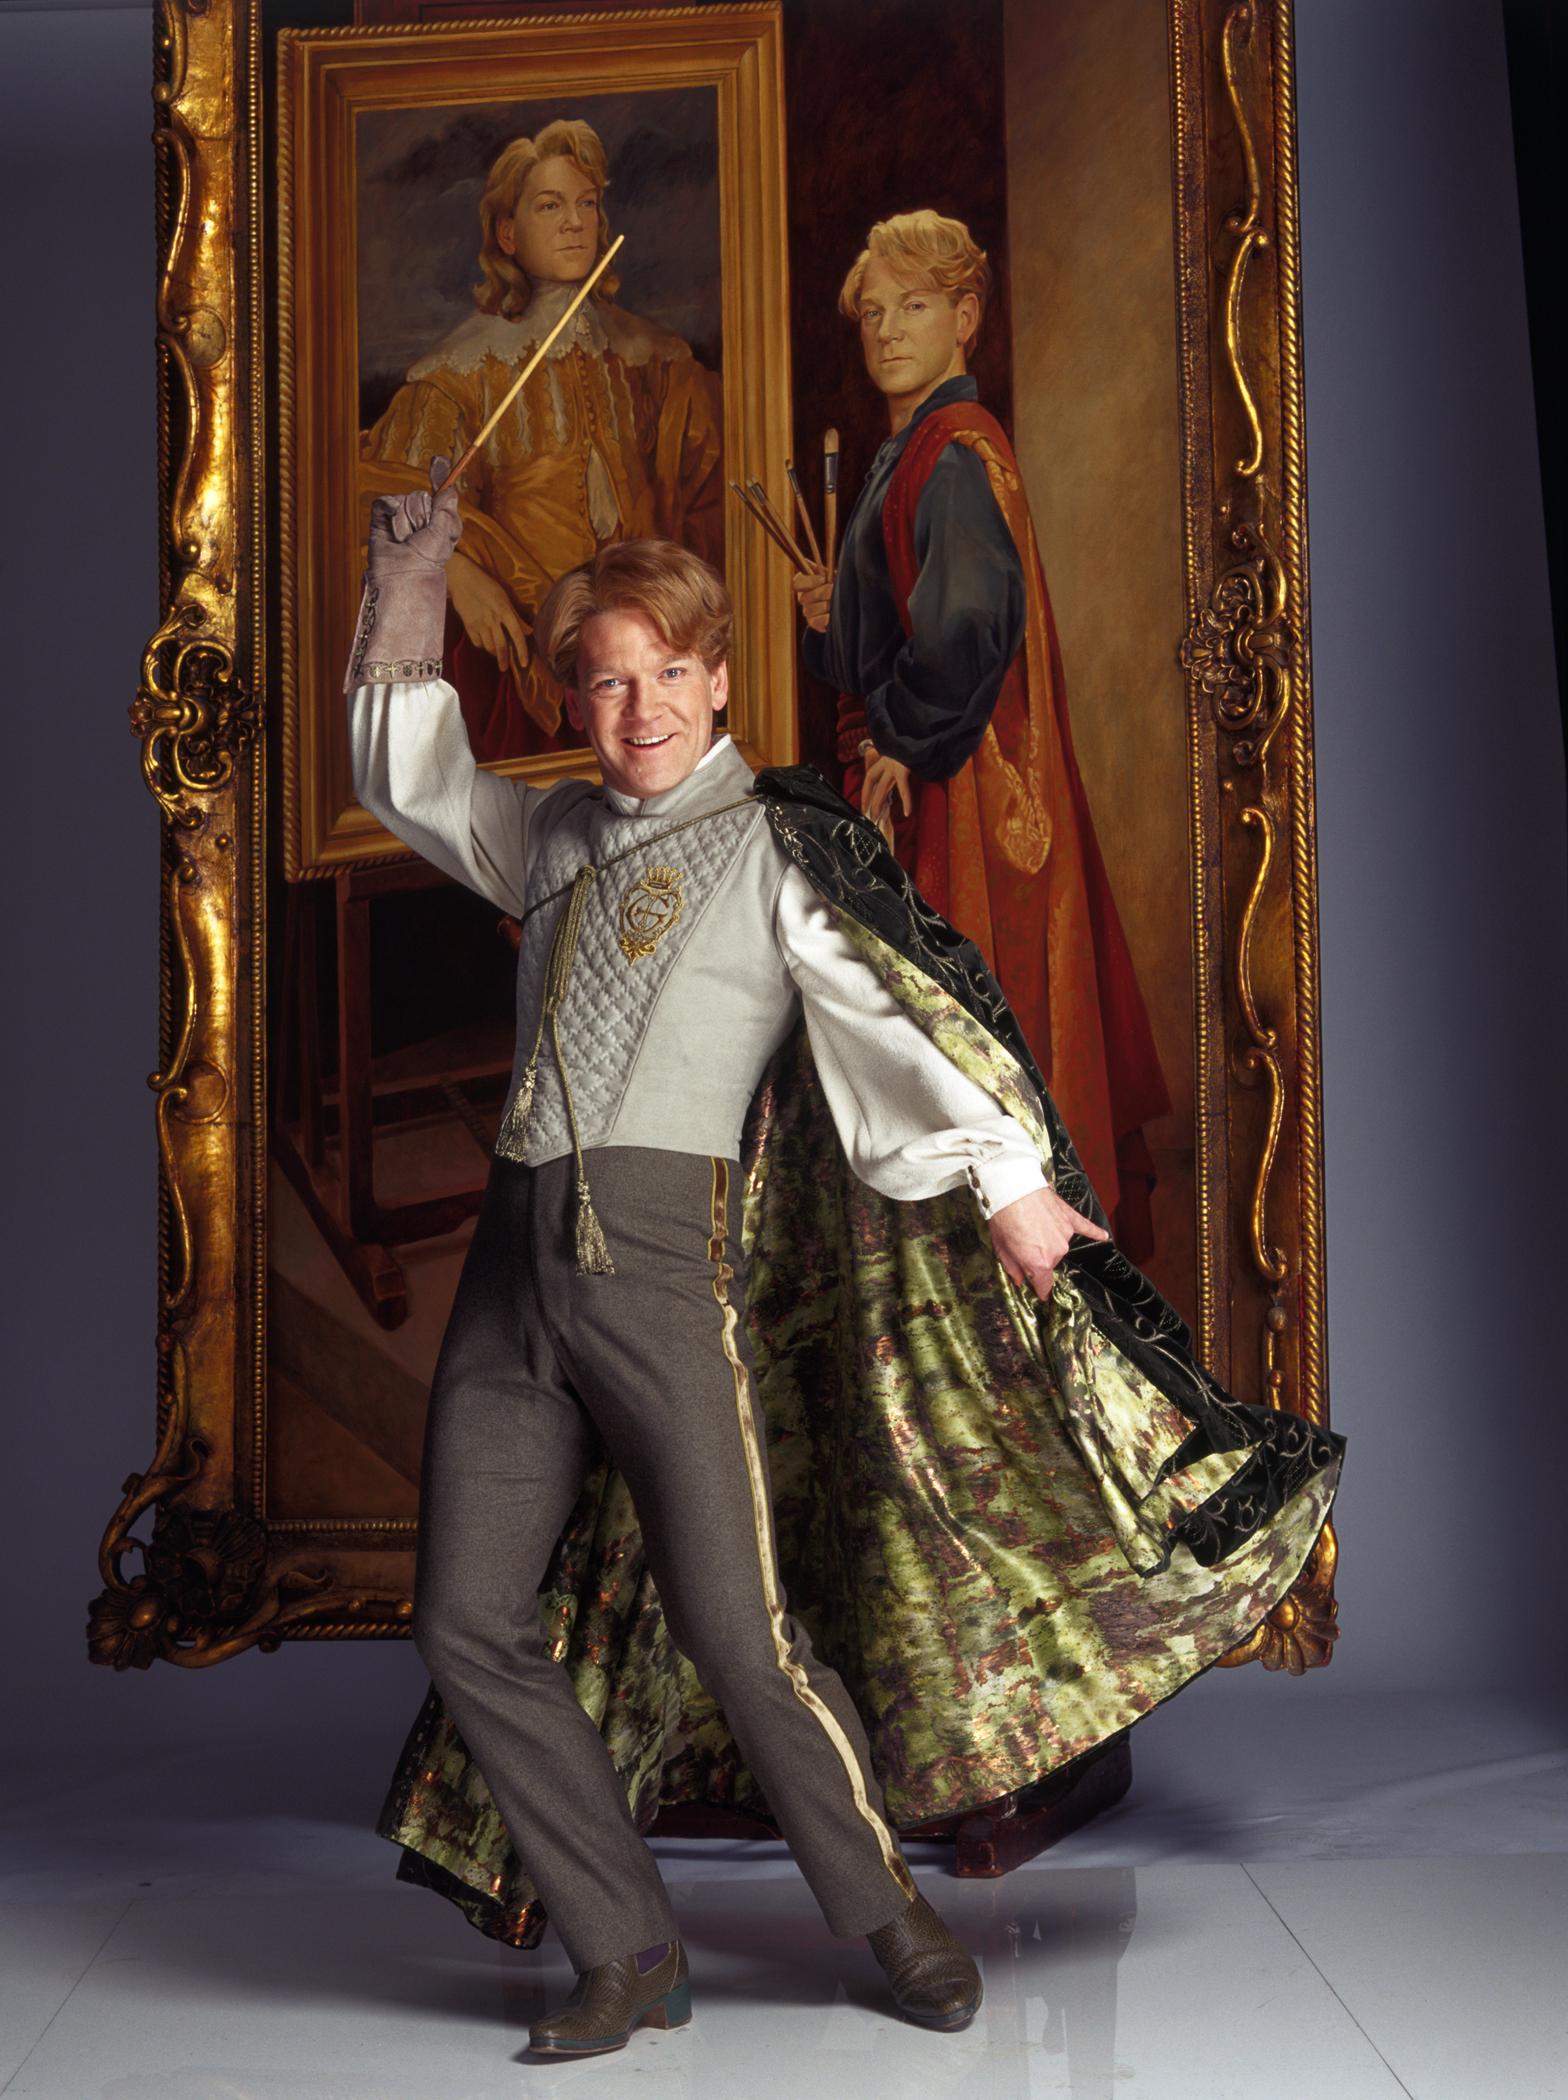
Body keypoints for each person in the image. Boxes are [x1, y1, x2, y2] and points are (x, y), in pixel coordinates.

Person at [345, 466, 1344, 2058]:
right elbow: (405, 774)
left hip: (663, 1285)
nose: (638, 708)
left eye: (668, 673)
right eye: (604, 680)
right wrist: (412, 571)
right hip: (511, 1290)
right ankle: (627, 1948)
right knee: (464, 1621)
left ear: (718, 679)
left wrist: (1010, 1191)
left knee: (742, 1637)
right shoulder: (545, 835)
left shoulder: (776, 848)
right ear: (573, 697)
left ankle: (888, 1917)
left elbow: (898, 1023)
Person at [793, 210, 1170, 1261]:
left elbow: (964, 634)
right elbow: (897, 631)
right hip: (932, 767)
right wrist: (836, 615)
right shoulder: (912, 447)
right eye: (872, 313)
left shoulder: (954, 451)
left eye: (912, 306)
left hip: (965, 788)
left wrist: (900, 741)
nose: (886, 331)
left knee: (966, 1027)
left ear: (964, 316)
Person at [360, 118, 724, 763]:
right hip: (522, 660)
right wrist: (459, 574)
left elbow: (708, 496)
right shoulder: (462, 371)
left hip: (649, 657)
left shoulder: (655, 359)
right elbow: (390, 501)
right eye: (550, 206)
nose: (575, 223)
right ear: (508, 233)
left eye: (587, 204)